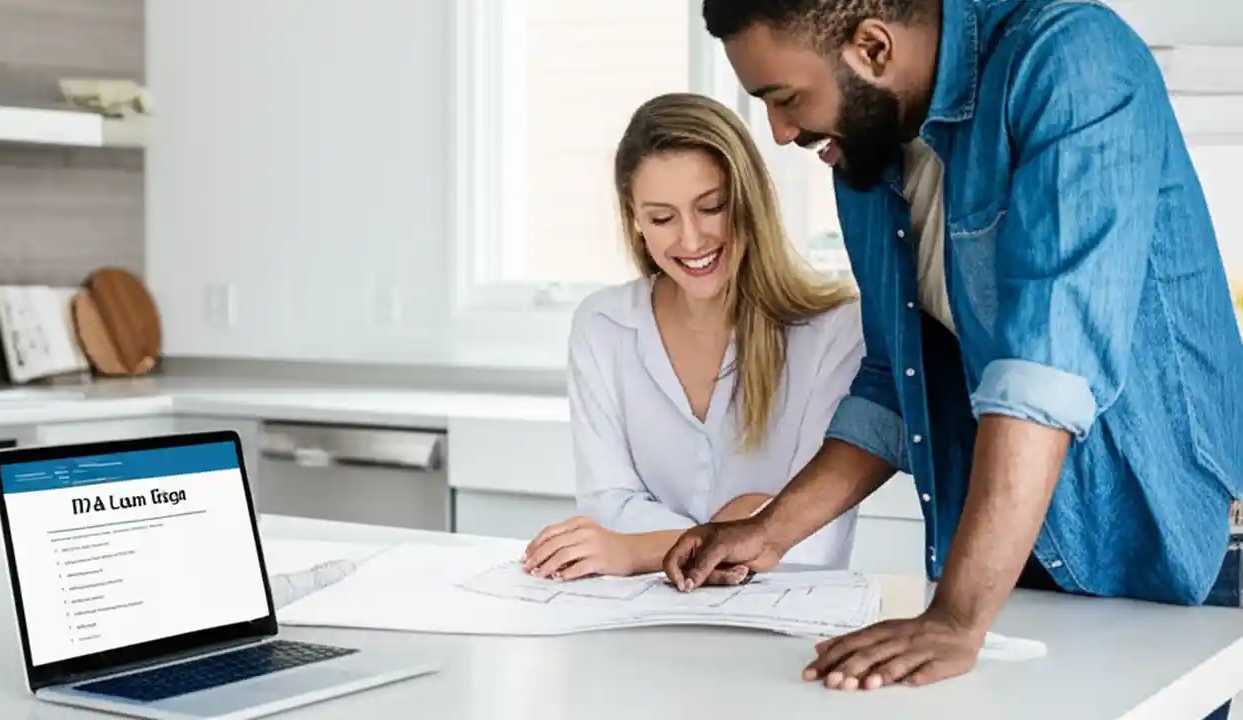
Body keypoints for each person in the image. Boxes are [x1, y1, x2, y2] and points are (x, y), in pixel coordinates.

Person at [663, 0, 1243, 713]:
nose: (782, 134)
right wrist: (770, 532)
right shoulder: (870, 152)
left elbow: (1046, 371)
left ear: (872, 47)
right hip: (1026, 563)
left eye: (785, 99)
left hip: (1185, 546)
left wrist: (956, 616)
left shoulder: (1071, 63)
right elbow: (892, 381)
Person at [521, 92, 866, 582]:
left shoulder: (835, 329)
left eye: (711, 207)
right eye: (662, 217)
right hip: (648, 623)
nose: (691, 239)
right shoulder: (602, 328)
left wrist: (634, 550)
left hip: (783, 631)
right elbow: (608, 506)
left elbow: (810, 537)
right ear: (635, 220)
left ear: (749, 201)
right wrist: (743, 528)